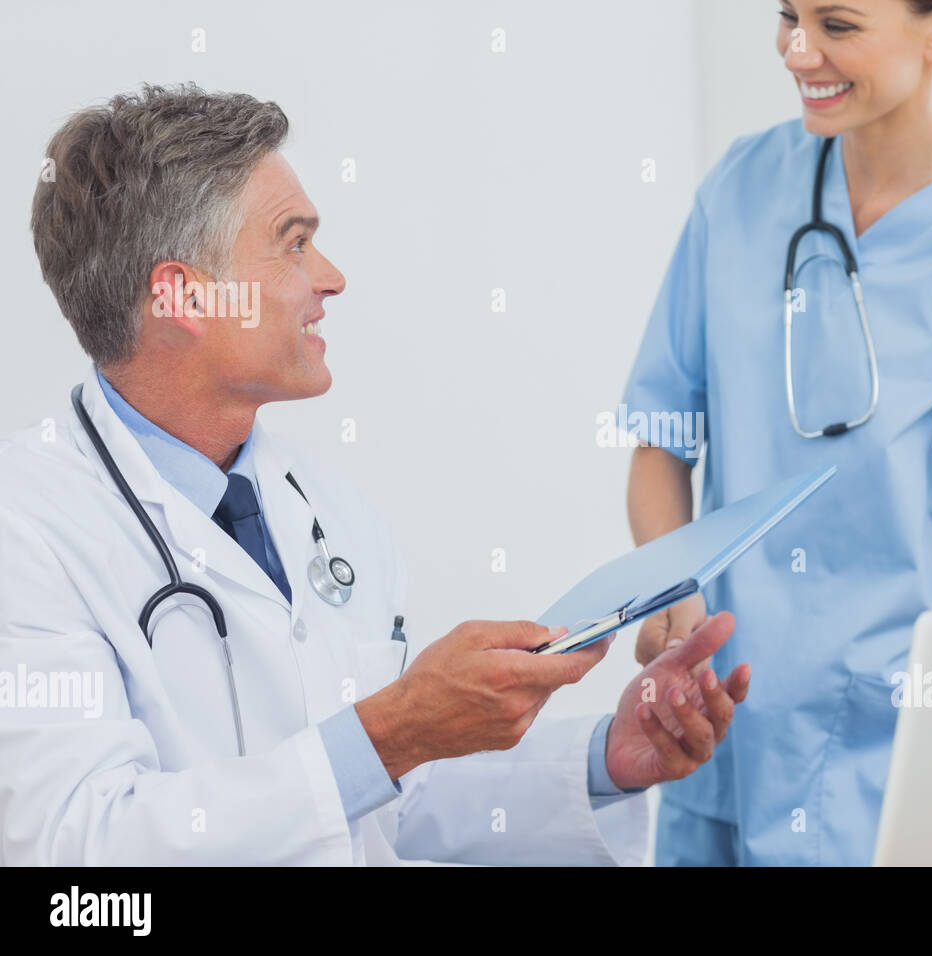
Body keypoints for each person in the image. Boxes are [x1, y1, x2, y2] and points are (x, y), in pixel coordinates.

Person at [0, 84, 749, 865]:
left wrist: (603, 759)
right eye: (294, 244)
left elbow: (387, 802)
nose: (330, 278)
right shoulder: (26, 529)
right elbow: (79, 858)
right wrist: (390, 730)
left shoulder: (324, 509)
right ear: (183, 294)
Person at [623, 0, 932, 865]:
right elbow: (662, 439)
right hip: (723, 746)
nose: (796, 49)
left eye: (838, 24)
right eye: (787, 15)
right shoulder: (740, 193)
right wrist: (675, 587)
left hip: (909, 789)